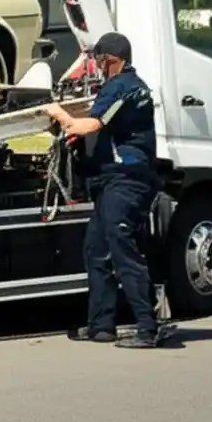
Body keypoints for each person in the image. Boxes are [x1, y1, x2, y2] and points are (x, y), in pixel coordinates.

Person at [45, 31, 161, 349]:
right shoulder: (122, 87)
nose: (94, 64)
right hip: (112, 182)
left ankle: (147, 328)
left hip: (126, 181)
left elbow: (93, 124)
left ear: (111, 60)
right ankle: (101, 326)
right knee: (95, 250)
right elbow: (104, 124)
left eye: (98, 58)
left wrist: (59, 114)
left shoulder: (123, 87)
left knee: (123, 250)